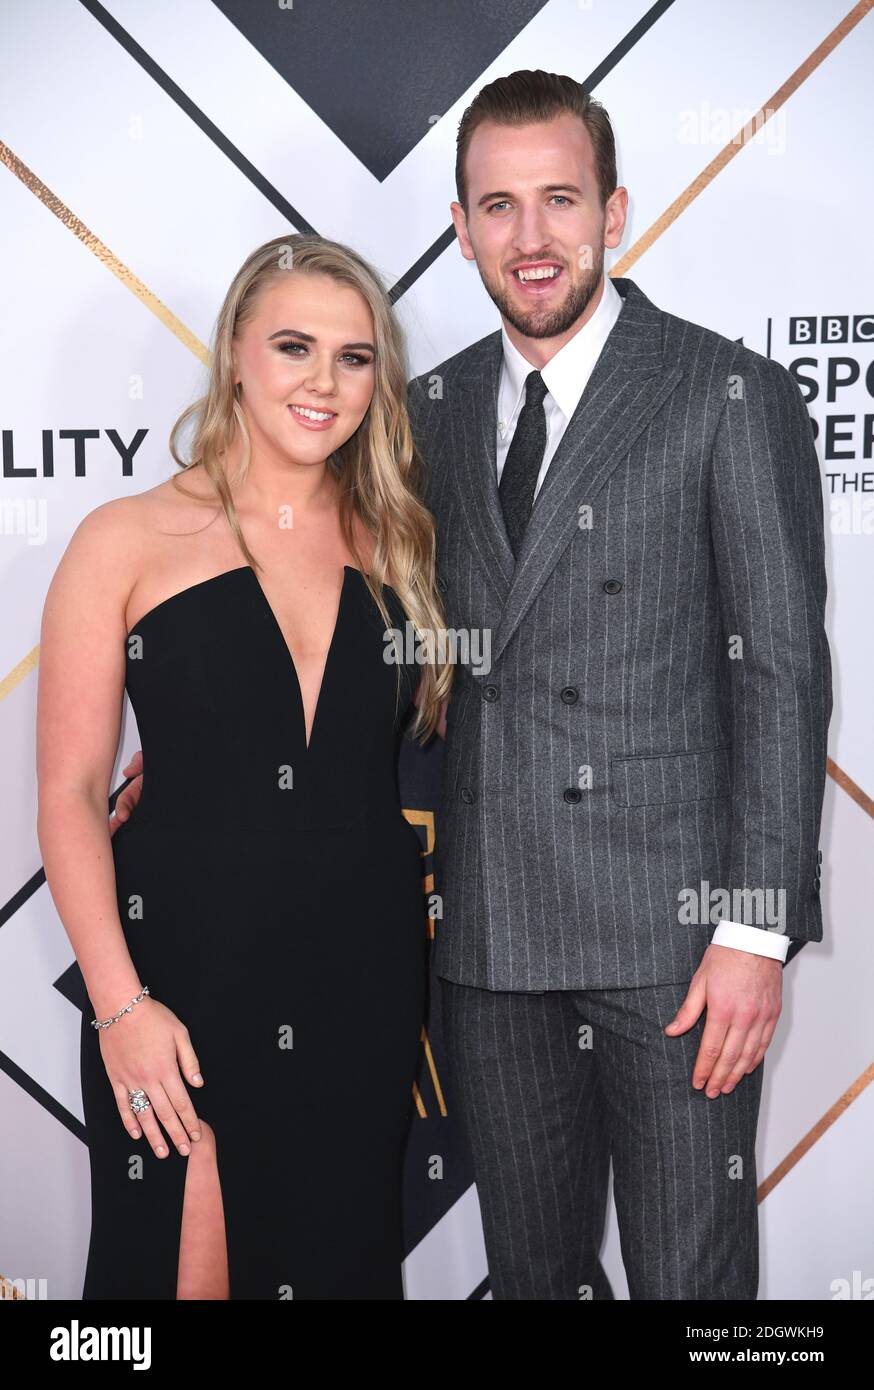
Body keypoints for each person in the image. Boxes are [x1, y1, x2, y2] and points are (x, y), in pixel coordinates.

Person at [403, 71, 830, 1299]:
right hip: (488, 936)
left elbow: (782, 672)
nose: (530, 239)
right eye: (498, 207)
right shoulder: (424, 413)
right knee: (530, 1278)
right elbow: (380, 632)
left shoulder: (723, 391)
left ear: (615, 211)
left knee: (692, 1281)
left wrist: (752, 929)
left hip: (677, 942)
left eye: (557, 201)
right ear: (461, 227)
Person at [36, 233, 451, 1300]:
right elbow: (72, 793)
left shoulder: (399, 539)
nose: (324, 383)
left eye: (354, 358)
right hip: (179, 978)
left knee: (341, 1263)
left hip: (361, 980)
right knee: (178, 1263)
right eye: (294, 347)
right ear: (233, 353)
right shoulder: (123, 539)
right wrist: (123, 1009)